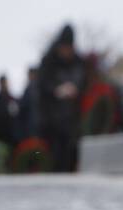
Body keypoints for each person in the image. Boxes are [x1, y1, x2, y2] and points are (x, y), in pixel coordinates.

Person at [38, 24, 85, 172]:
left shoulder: (78, 62)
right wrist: (57, 90)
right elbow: (42, 86)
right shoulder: (49, 62)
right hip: (51, 120)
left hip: (72, 120)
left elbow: (83, 82)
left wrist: (75, 89)